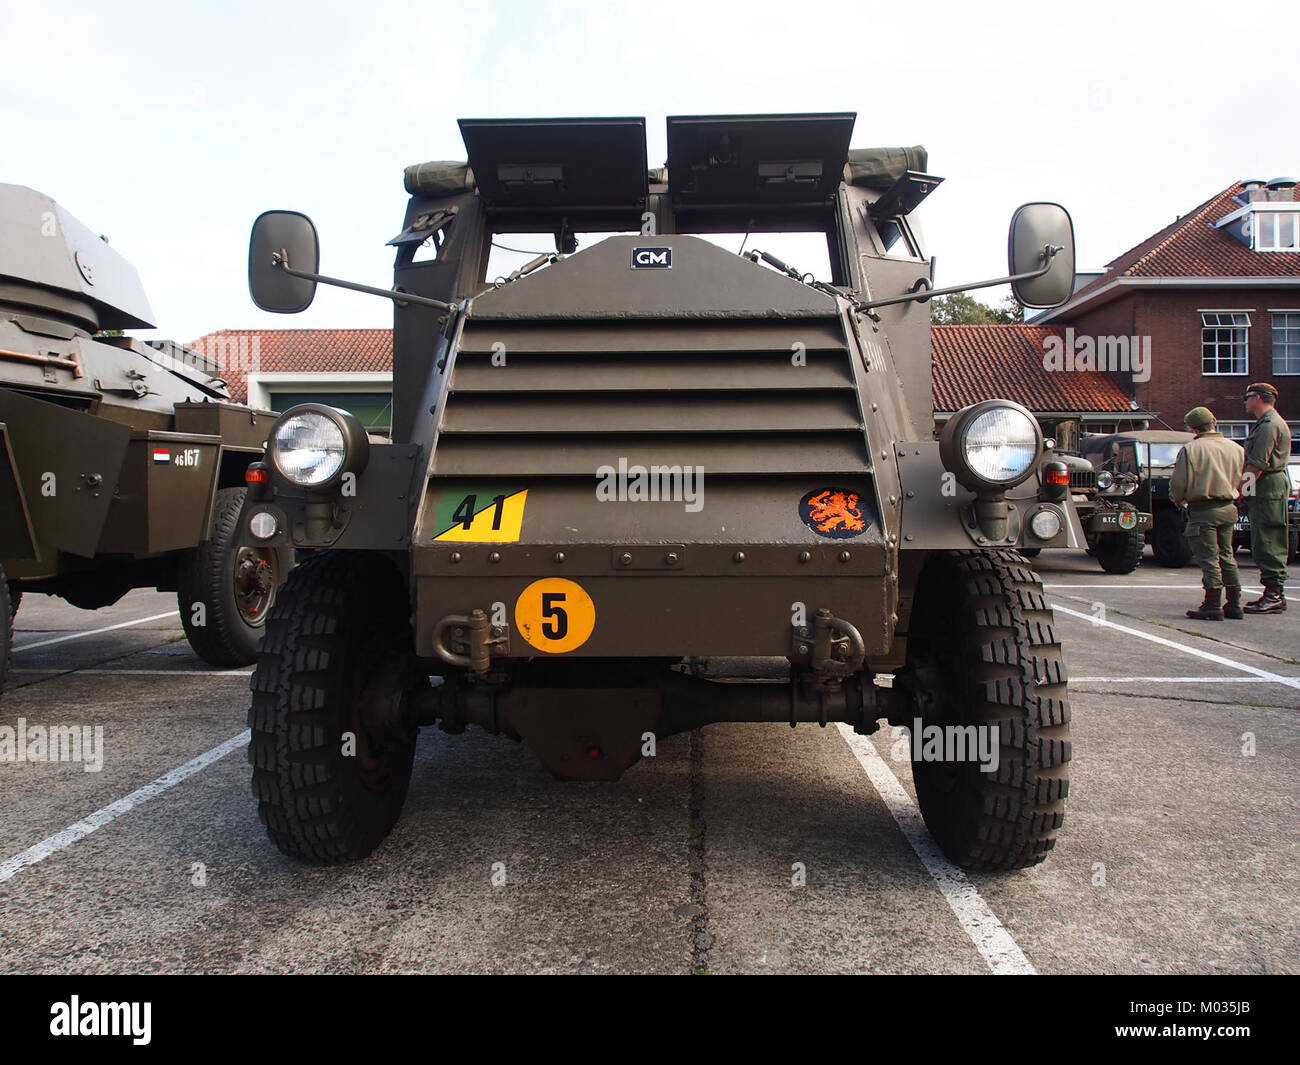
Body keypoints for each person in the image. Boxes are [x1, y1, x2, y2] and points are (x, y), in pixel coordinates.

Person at [1170, 406, 1244, 620]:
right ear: (1214, 421)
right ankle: (1234, 603)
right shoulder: (1236, 448)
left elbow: (1179, 482)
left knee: (1209, 557)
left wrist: (1177, 498)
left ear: (1193, 428)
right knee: (1227, 555)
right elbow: (1240, 477)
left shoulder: (1191, 449)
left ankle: (1212, 604)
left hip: (1203, 509)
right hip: (1228, 506)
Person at [1239, 382, 1292, 614]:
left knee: (1268, 538)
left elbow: (1258, 463)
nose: (1245, 402)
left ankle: (1274, 594)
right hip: (1265, 485)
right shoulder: (1266, 423)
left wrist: (1243, 489)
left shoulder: (1270, 425)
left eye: (1247, 397)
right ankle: (1273, 593)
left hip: (1267, 485)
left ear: (1258, 398)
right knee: (1263, 537)